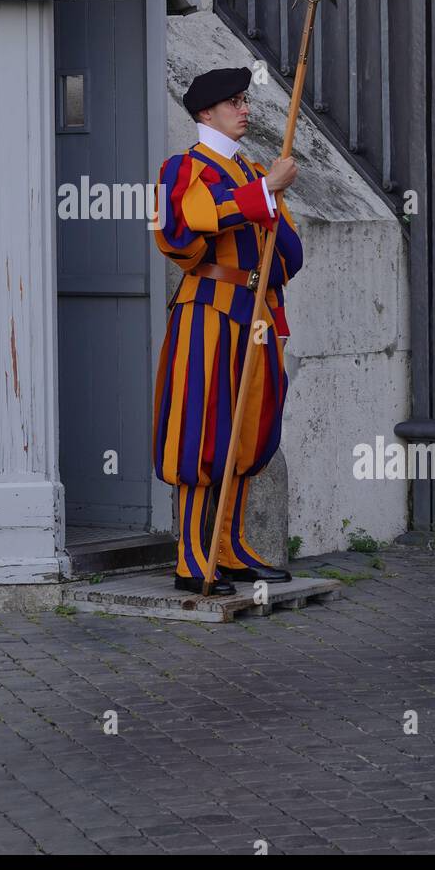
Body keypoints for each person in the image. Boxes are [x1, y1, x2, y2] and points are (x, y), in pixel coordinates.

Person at [152, 66, 303, 595]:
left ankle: (229, 546)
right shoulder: (183, 167)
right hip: (208, 311)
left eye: (245, 99)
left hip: (255, 313)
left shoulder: (251, 171)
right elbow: (181, 232)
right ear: (205, 112)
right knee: (200, 430)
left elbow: (289, 254)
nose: (245, 109)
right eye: (234, 101)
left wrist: (269, 198)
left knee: (247, 432)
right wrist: (263, 195)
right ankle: (192, 558)